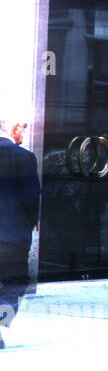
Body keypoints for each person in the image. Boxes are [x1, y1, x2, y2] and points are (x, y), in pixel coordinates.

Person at [0, 126, 41, 348]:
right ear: (12, 128)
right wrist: (32, 221)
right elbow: (31, 198)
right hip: (11, 234)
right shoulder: (24, 157)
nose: (24, 131)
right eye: (23, 126)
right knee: (14, 283)